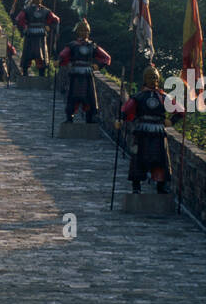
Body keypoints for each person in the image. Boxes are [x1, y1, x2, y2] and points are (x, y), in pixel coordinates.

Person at [121, 65, 179, 193]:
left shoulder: (163, 97)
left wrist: (171, 121)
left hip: (158, 131)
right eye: (151, 77)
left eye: (155, 78)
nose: (154, 80)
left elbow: (180, 110)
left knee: (160, 159)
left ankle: (161, 186)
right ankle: (136, 187)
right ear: (145, 79)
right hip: (142, 131)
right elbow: (126, 110)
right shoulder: (139, 97)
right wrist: (122, 118)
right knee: (138, 158)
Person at [58, 19, 110, 123]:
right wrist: (59, 61)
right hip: (75, 74)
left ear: (89, 32)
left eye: (86, 31)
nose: (84, 33)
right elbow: (63, 55)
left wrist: (98, 65)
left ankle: (89, 118)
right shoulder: (72, 45)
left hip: (87, 75)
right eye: (82, 30)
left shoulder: (92, 46)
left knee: (89, 97)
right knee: (73, 95)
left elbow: (106, 57)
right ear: (78, 32)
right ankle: (69, 117)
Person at [15, 0, 60, 77]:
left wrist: (50, 26)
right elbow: (19, 19)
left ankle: (42, 73)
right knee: (27, 54)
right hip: (30, 34)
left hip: (41, 35)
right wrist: (24, 27)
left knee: (41, 54)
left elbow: (56, 19)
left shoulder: (46, 11)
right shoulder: (27, 10)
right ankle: (25, 72)